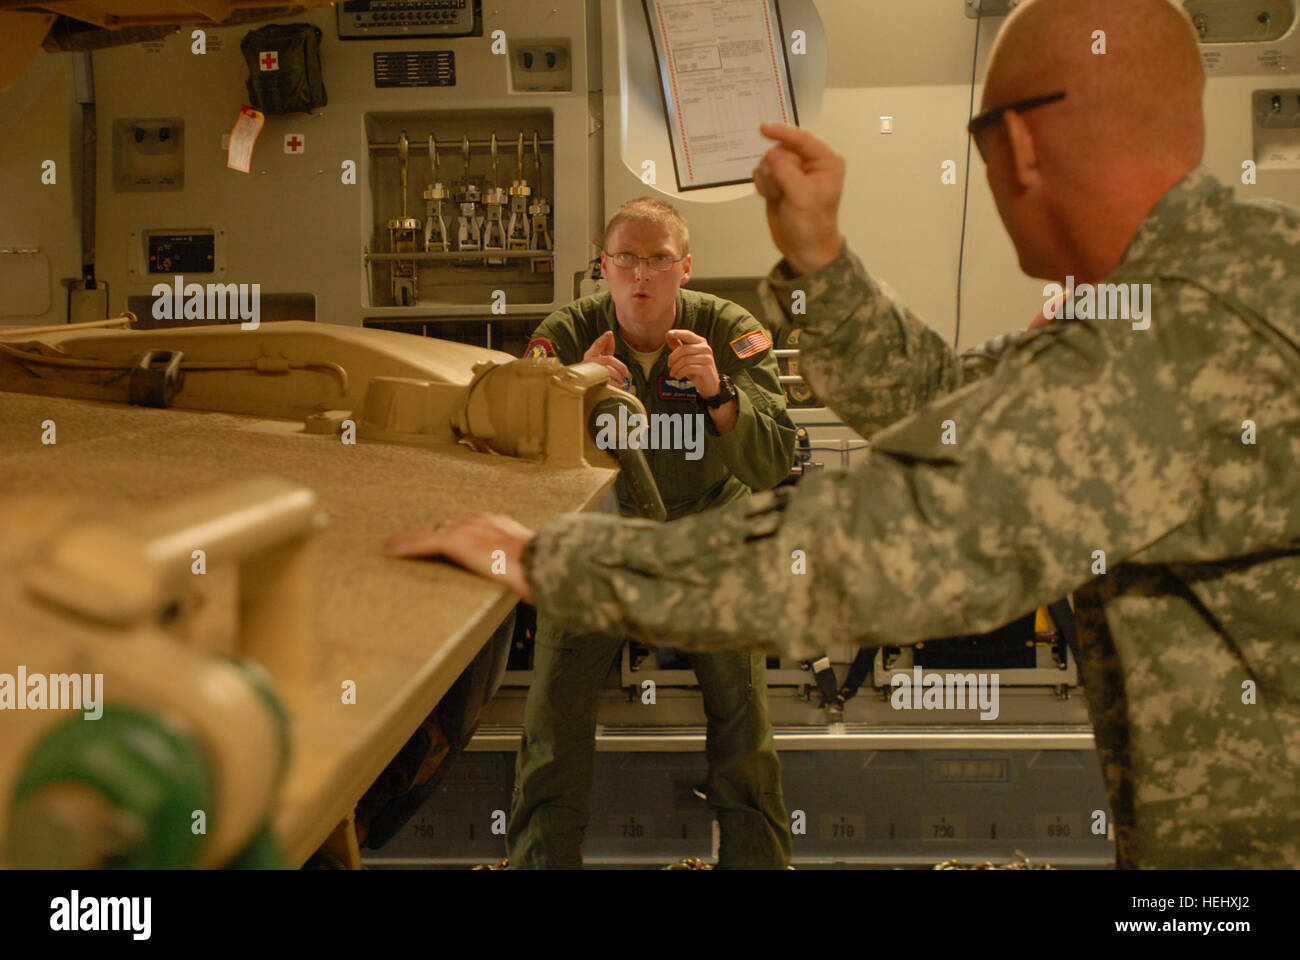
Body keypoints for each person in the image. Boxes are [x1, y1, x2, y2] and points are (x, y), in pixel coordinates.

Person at [389, 0, 1300, 868]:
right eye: (625, 262)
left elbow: (887, 541)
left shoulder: (1176, 333)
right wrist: (823, 267)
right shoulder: (1209, 285)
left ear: (1016, 143)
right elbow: (951, 405)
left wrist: (554, 565)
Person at [504, 198, 797, 868]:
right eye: (627, 258)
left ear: (684, 268)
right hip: (600, 539)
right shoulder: (568, 334)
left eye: (659, 258)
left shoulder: (728, 330)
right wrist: (569, 394)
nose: (642, 273)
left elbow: (776, 459)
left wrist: (721, 393)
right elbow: (516, 455)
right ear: (603, 268)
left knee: (745, 726)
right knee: (552, 726)